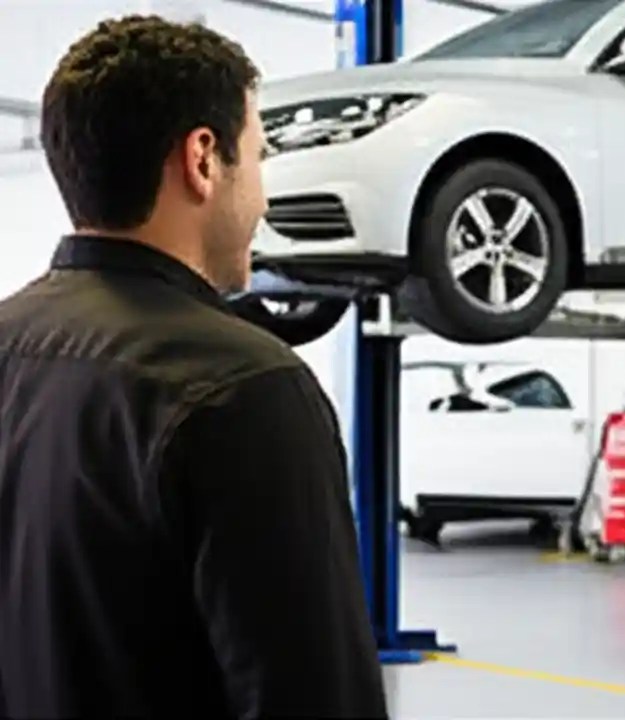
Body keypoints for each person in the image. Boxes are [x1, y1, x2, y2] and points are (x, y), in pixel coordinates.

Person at [0, 16, 387, 718]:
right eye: (259, 158)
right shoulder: (244, 391)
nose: (264, 199)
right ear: (203, 160)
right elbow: (314, 694)